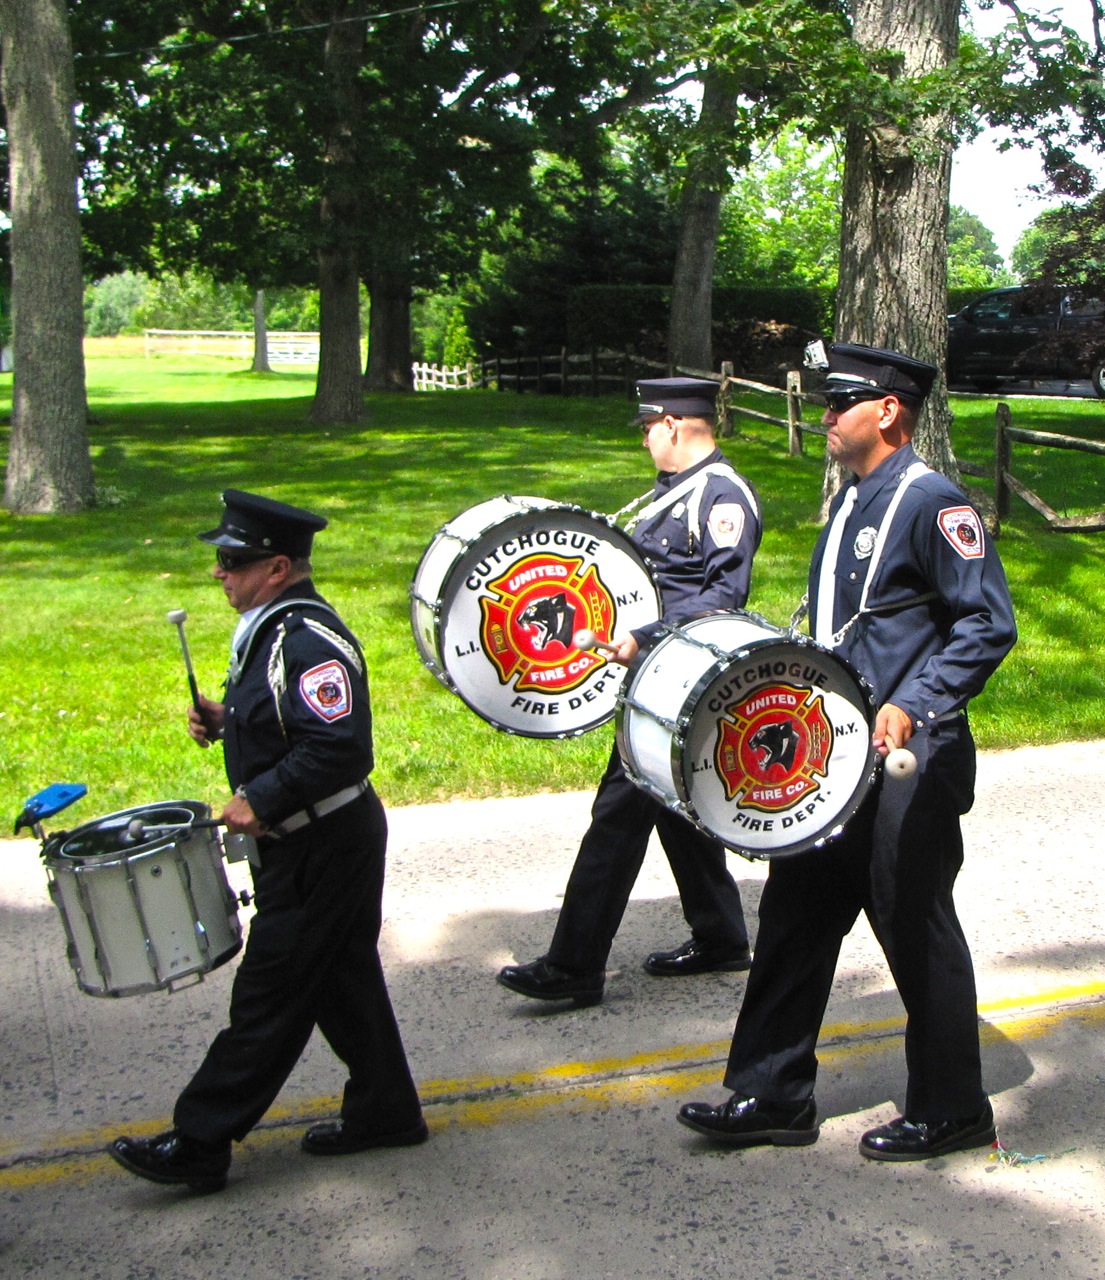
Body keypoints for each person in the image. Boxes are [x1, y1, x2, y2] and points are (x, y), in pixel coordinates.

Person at [678, 342, 1017, 1161]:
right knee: (794, 917)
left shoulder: (931, 502)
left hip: (912, 756)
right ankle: (770, 1091)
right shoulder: (850, 502)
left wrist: (914, 702)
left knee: (914, 924)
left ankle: (952, 1106)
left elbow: (986, 621)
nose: (824, 416)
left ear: (888, 411)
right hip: (832, 758)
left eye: (839, 403)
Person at [109, 490, 426, 1192]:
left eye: (233, 561)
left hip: (325, 842)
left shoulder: (307, 640)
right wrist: (233, 720)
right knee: (338, 976)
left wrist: (260, 795)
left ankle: (200, 1141)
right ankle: (386, 1112)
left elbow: (341, 749)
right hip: (313, 839)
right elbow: (291, 723)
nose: (219, 573)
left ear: (278, 567)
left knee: (271, 991)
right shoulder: (272, 627)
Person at [498, 377, 763, 1009]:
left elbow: (724, 599)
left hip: (680, 680)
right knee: (673, 808)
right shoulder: (674, 494)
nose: (645, 441)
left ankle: (574, 964)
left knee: (616, 818)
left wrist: (643, 638)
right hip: (655, 678)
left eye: (648, 428)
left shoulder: (722, 498)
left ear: (675, 425)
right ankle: (721, 935)